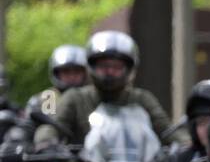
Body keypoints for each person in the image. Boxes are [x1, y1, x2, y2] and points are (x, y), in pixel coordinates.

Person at [34, 31, 179, 148]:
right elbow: (53, 126)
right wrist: (46, 142)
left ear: (128, 69)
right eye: (103, 66)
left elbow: (166, 130)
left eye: (116, 67)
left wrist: (186, 144)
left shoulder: (142, 98)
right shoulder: (75, 98)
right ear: (92, 67)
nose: (109, 72)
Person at [24, 44, 89, 121]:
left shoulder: (92, 96)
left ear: (85, 73)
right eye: (66, 72)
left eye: (77, 71)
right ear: (57, 73)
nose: (72, 76)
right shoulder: (48, 98)